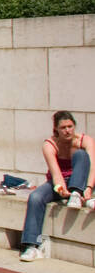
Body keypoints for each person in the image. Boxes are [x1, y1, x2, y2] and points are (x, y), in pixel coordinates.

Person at [20, 111, 95, 261]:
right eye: (63, 128)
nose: (68, 131)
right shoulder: (49, 144)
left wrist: (88, 188)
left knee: (81, 155)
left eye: (70, 126)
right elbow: (56, 175)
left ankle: (79, 194)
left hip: (83, 182)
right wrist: (61, 190)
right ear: (56, 129)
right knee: (35, 197)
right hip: (61, 182)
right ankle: (31, 246)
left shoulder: (85, 140)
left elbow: (93, 167)